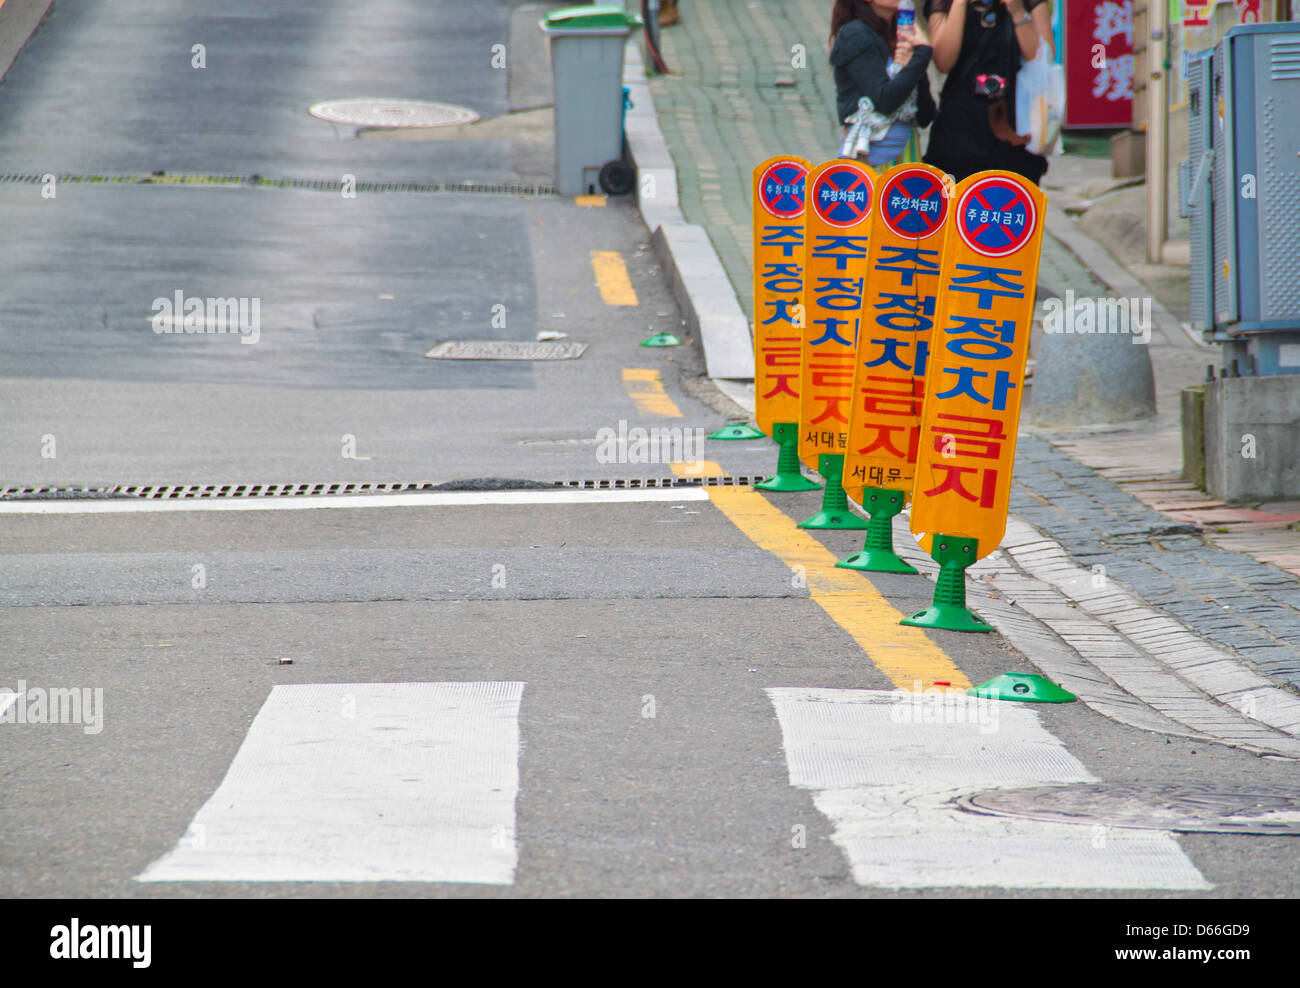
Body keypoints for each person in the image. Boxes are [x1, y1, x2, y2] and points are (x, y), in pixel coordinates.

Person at [922, 0, 1055, 183]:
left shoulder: (1029, 3)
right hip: (959, 129)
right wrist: (959, 4)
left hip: (1016, 128)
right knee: (956, 204)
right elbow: (943, 62)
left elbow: (1041, 59)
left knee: (1012, 203)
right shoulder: (944, 3)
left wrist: (1017, 11)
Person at [830, 0, 936, 168]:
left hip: (905, 161)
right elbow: (885, 100)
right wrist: (921, 54)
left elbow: (925, 114)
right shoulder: (856, 34)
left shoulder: (898, 36)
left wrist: (912, 62)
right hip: (870, 162)